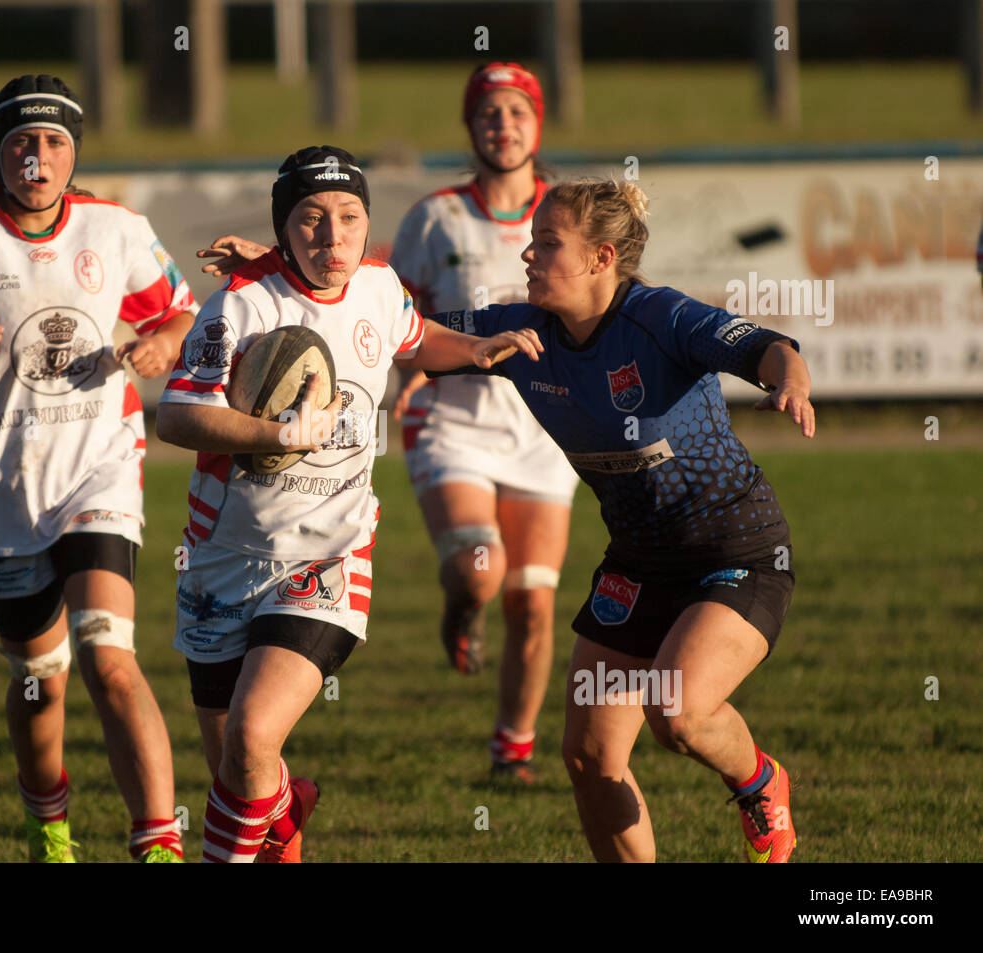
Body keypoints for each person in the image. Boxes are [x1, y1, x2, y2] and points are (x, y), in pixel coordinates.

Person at [157, 145, 542, 862]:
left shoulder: (378, 285)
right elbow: (176, 416)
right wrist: (277, 434)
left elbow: (416, 337)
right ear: (283, 227)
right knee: (238, 774)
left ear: (368, 224)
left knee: (250, 739)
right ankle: (284, 806)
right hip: (220, 560)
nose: (331, 236)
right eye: (310, 219)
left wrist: (480, 348)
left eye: (348, 216)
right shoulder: (242, 302)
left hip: (328, 560)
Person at [431, 178, 812, 862]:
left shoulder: (659, 318)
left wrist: (790, 379)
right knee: (588, 755)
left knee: (679, 712)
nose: (527, 255)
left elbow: (764, 346)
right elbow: (405, 333)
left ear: (603, 257)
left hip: (736, 552)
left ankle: (760, 780)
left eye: (548, 244)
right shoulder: (525, 335)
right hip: (639, 563)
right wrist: (298, 282)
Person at [0, 74, 195, 863]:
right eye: (21, 141)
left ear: (73, 152)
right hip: (2, 494)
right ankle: (48, 821)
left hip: (100, 474)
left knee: (107, 655)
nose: (37, 156)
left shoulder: (117, 230)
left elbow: (182, 310)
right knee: (40, 679)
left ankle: (159, 842)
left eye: (53, 142)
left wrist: (161, 343)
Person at [389, 62, 579, 783]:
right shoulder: (436, 217)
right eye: (489, 113)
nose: (504, 125)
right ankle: (461, 607)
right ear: (471, 128)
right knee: (481, 570)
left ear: (538, 124)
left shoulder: (566, 215)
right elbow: (393, 311)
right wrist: (406, 372)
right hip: (453, 423)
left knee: (533, 602)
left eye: (517, 112)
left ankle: (512, 753)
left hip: (542, 433)